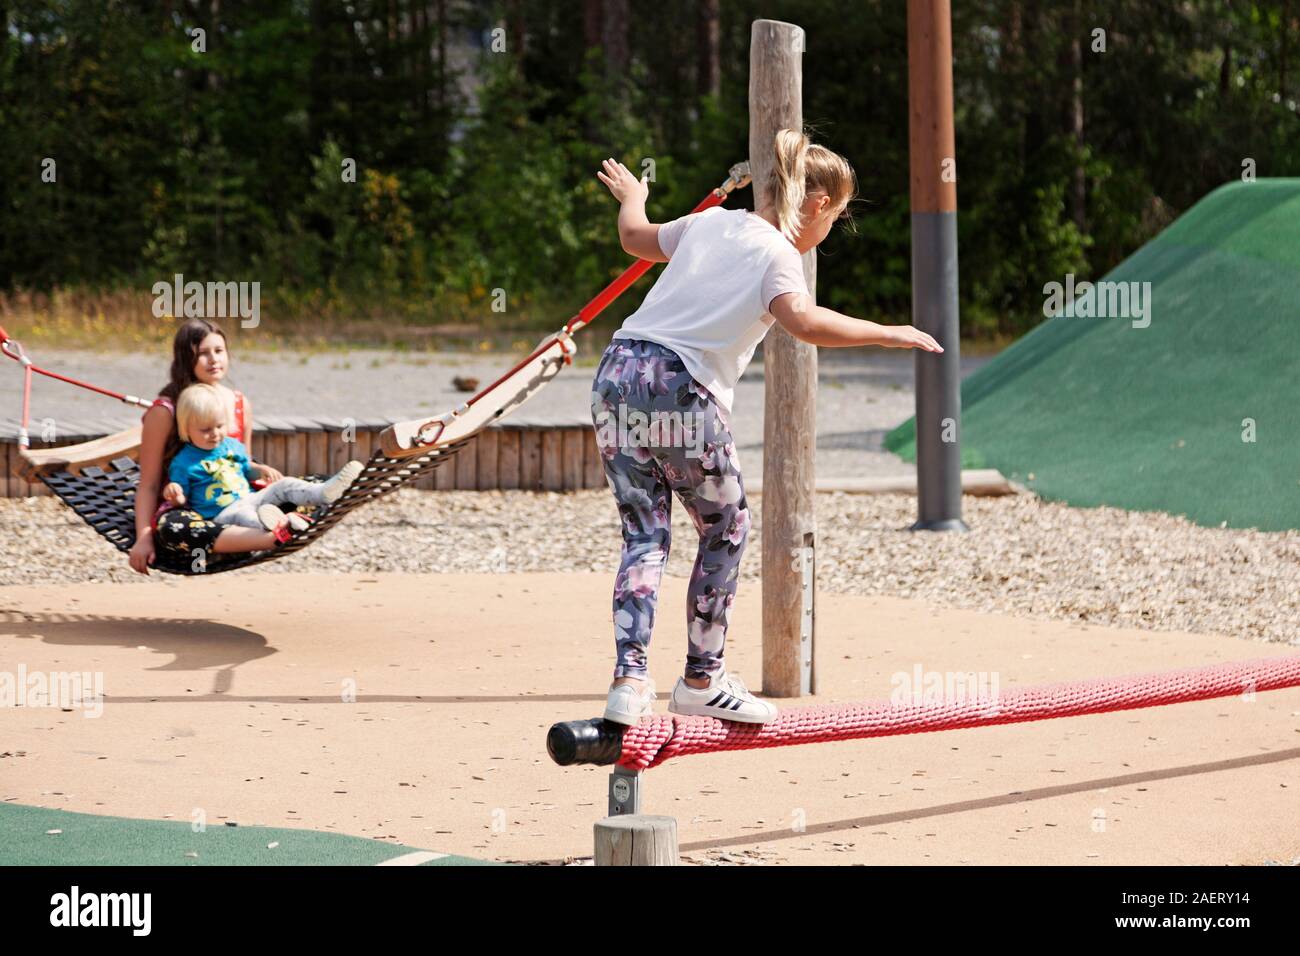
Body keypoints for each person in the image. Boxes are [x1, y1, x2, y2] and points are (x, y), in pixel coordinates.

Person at [592, 128, 943, 726]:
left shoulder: (708, 223)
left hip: (617, 373)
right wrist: (890, 332)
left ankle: (629, 682)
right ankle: (701, 678)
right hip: (680, 387)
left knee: (645, 537)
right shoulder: (780, 255)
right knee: (725, 527)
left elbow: (633, 238)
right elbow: (803, 322)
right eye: (837, 217)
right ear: (817, 203)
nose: (830, 232)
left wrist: (634, 194)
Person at [128, 318, 284, 573]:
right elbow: (149, 484)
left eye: (219, 351)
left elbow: (242, 463)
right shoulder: (165, 411)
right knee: (172, 529)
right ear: (184, 359)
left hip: (239, 501)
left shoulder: (238, 402)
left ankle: (283, 522)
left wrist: (263, 470)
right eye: (203, 353)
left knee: (301, 487)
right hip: (191, 509)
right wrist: (143, 537)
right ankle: (271, 537)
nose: (214, 360)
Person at [163, 382, 362, 538]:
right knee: (246, 517)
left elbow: (245, 470)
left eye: (220, 426)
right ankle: (285, 526)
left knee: (284, 485)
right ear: (186, 430)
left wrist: (260, 469)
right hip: (222, 515)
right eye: (205, 430)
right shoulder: (184, 462)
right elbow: (182, 499)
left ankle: (323, 492)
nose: (215, 434)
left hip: (251, 498)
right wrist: (175, 494)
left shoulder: (230, 446)